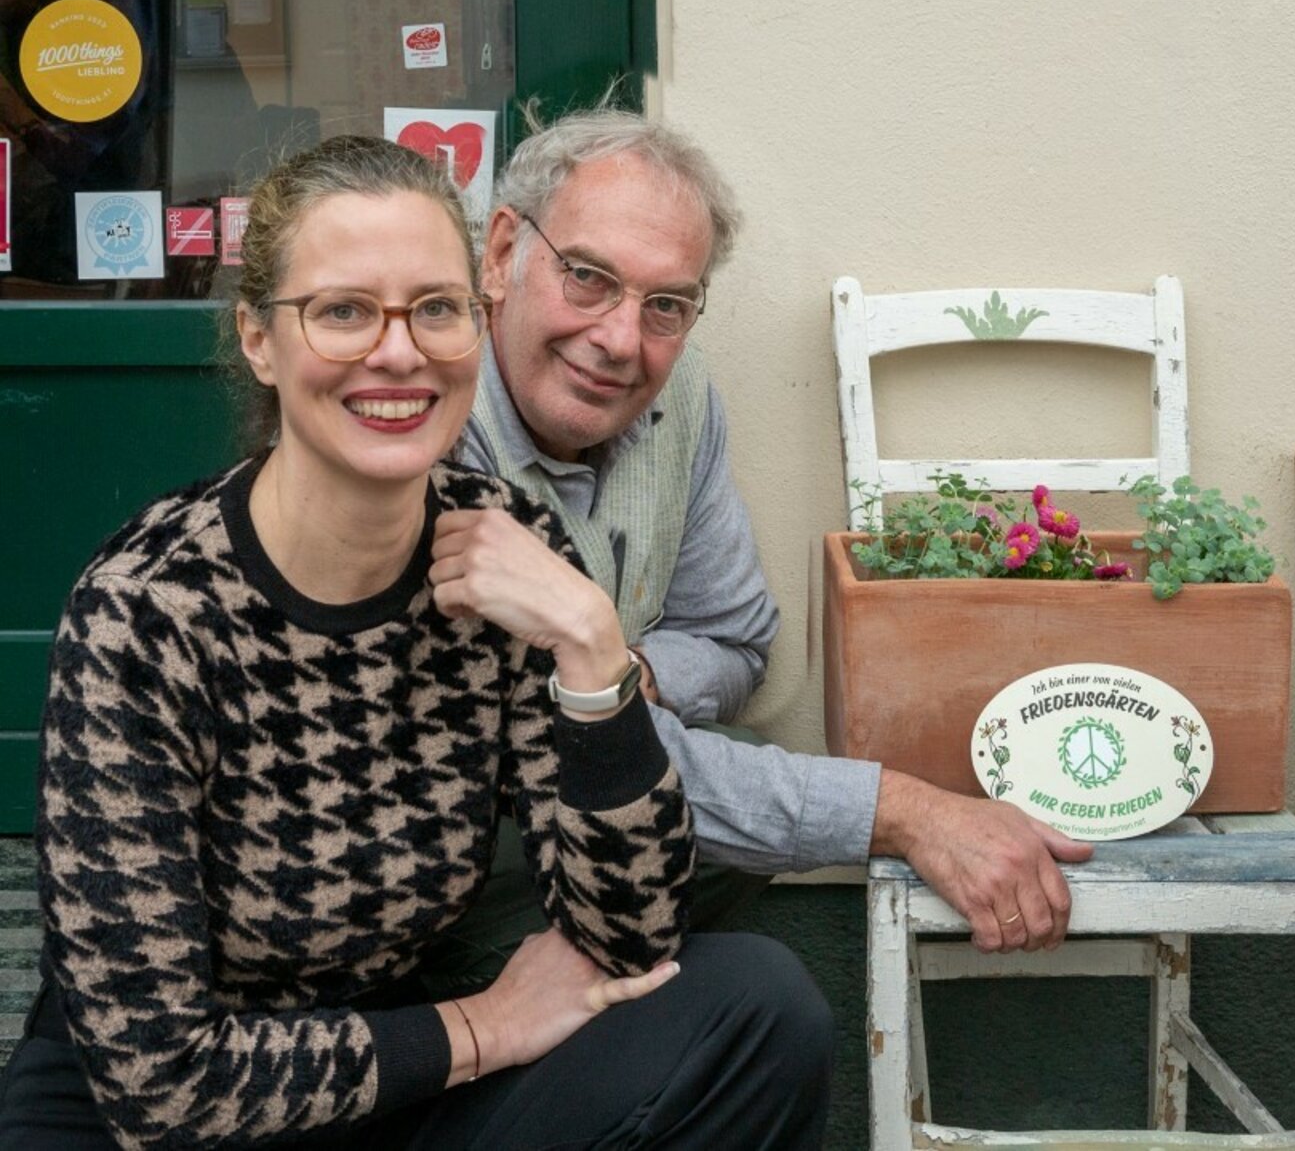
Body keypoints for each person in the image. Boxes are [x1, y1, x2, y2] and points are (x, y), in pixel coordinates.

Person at [0, 135, 831, 1149]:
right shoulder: (148, 613)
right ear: (260, 340)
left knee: (756, 1003)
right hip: (162, 1118)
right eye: (344, 311)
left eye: (434, 310)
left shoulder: (503, 547)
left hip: (382, 1081)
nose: (399, 353)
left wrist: (591, 646)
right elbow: (160, 1083)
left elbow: (631, 934)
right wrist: (479, 1029)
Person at [442, 104, 1095, 971]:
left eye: (666, 304)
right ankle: (482, 1009)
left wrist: (632, 674)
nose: (619, 339)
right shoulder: (437, 420)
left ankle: (567, 996)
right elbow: (569, 755)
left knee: (728, 776)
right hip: (448, 850)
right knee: (739, 916)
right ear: (499, 256)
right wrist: (909, 812)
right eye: (588, 276)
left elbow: (735, 637)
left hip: (588, 833)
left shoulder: (680, 395)